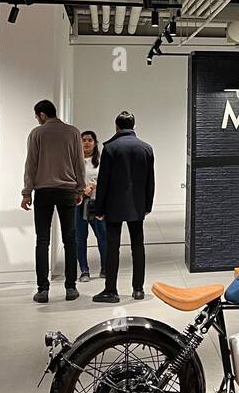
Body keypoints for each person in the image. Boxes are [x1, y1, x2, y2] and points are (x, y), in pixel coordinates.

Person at [21, 99, 85, 304]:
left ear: (41, 115)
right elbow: (79, 163)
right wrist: (80, 188)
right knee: (70, 239)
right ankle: (71, 287)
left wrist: (26, 192)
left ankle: (43, 289)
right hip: (67, 191)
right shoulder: (73, 132)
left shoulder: (36, 134)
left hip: (44, 192)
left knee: (42, 240)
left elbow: (31, 164)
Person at [91, 110, 155, 303]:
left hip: (113, 206)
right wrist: (147, 205)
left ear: (116, 126)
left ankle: (111, 290)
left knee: (113, 247)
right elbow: (150, 181)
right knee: (138, 246)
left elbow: (103, 181)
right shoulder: (146, 148)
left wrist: (99, 209)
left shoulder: (110, 148)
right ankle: (138, 289)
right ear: (134, 126)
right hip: (137, 205)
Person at [76, 130, 107, 282]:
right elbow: (70, 180)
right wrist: (83, 190)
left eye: (90, 140)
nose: (87, 143)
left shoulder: (101, 161)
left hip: (97, 203)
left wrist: (94, 186)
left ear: (95, 143)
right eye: (84, 140)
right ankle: (84, 270)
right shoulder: (74, 161)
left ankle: (105, 268)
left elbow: (106, 180)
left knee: (102, 236)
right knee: (80, 238)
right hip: (79, 203)